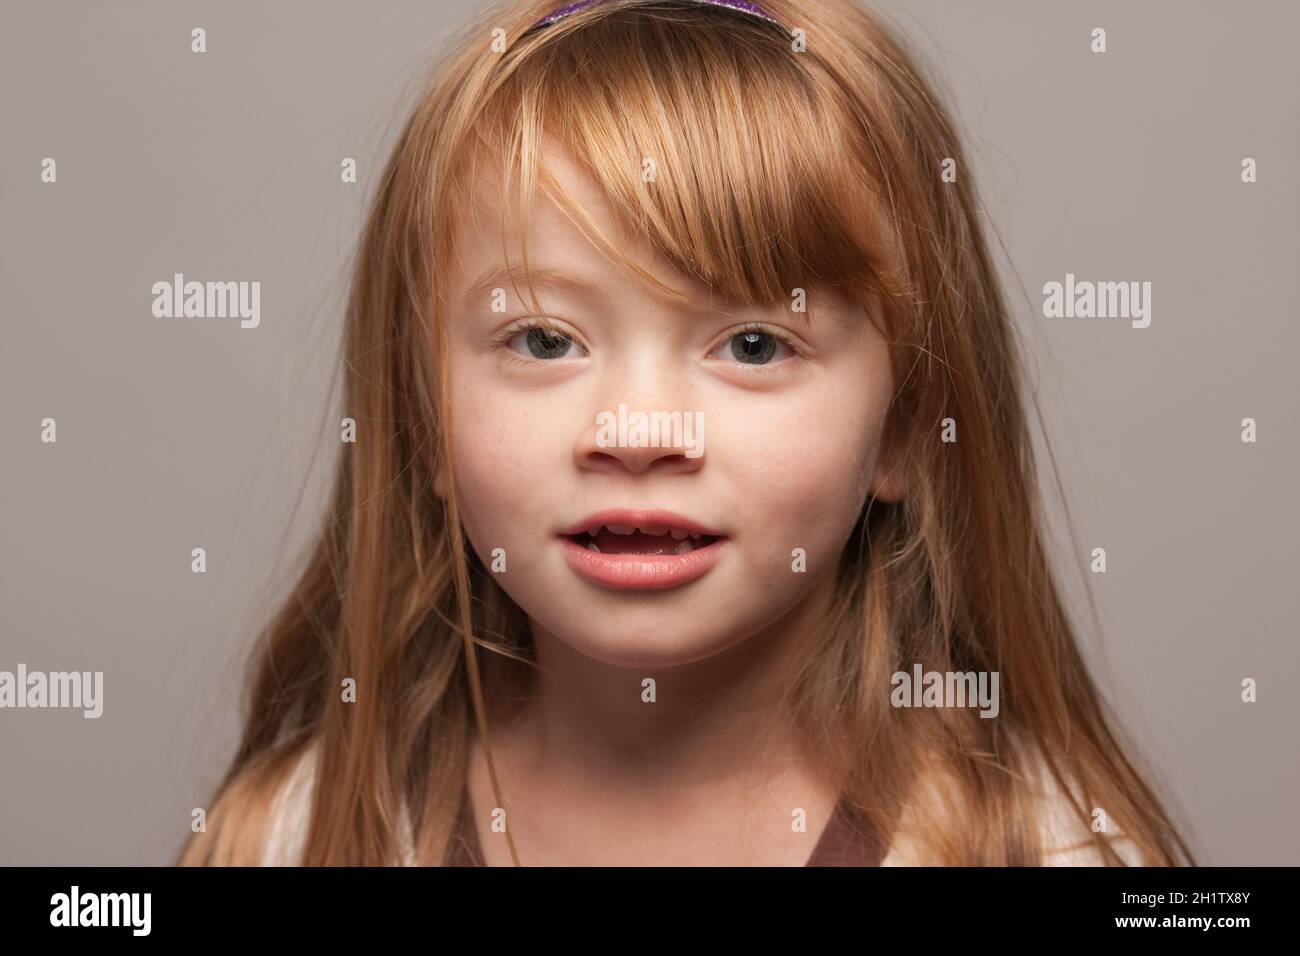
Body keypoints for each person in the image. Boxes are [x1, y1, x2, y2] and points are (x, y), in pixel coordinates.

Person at [179, 0, 1196, 867]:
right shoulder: (301, 834)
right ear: (421, 419)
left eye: (754, 344)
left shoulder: (1050, 846)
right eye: (543, 338)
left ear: (904, 429)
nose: (636, 430)